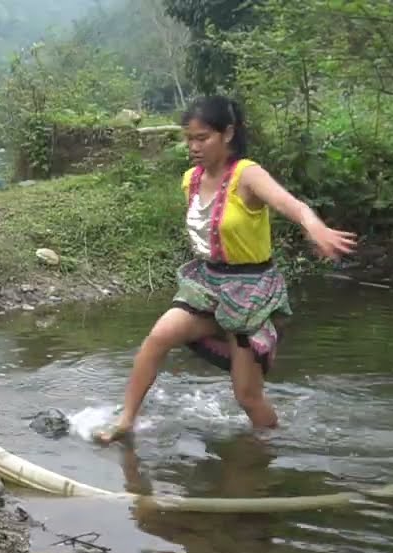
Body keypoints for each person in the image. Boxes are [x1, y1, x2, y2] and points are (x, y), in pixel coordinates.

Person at [95, 95, 357, 444]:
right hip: (207, 284)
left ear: (228, 133)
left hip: (250, 293)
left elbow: (290, 204)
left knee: (247, 398)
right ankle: (126, 420)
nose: (194, 146)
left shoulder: (247, 175)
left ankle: (269, 449)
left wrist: (316, 228)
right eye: (189, 138)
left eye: (203, 138)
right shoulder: (190, 179)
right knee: (158, 337)